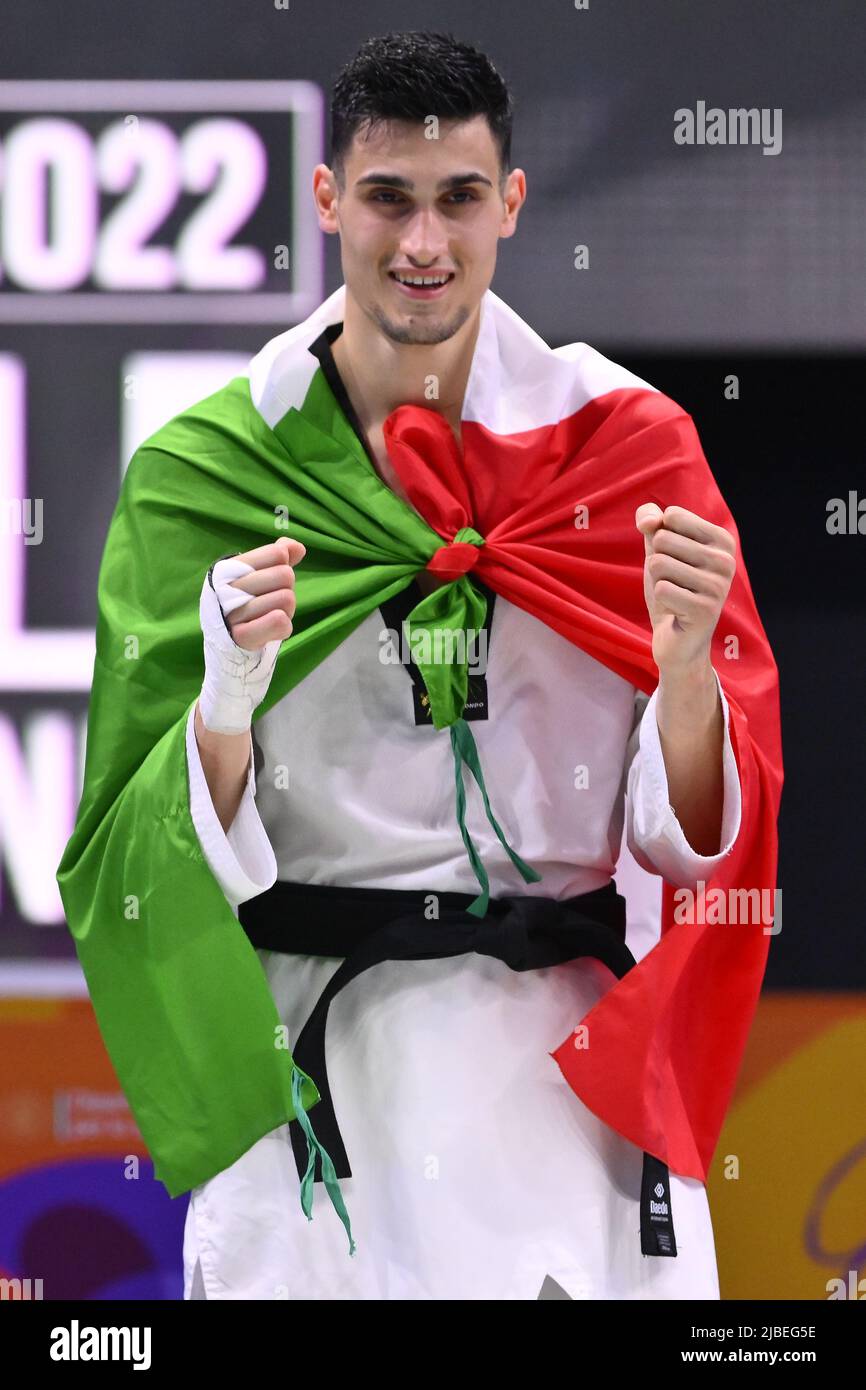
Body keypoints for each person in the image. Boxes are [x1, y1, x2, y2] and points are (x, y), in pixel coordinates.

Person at [57, 31, 782, 1302]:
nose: (421, 245)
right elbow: (129, 856)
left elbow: (698, 845)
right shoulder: (208, 476)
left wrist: (680, 681)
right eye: (387, 196)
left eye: (457, 198)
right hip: (315, 1100)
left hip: (560, 1103)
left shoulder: (622, 449)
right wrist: (225, 696)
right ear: (328, 197)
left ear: (510, 201)